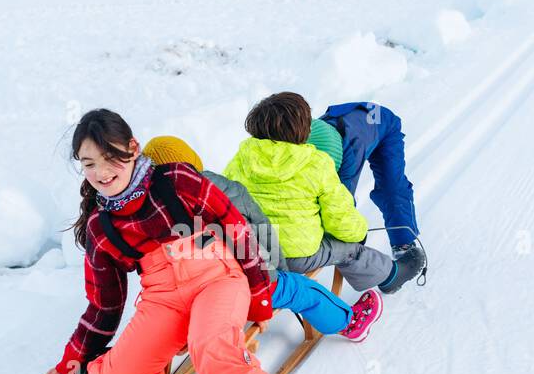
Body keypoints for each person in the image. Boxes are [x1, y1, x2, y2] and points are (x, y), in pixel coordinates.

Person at [40, 108, 328, 374]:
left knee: (214, 351)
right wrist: (77, 354)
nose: (101, 172)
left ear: (132, 148)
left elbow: (236, 229)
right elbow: (104, 302)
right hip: (163, 297)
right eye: (89, 163)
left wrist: (259, 293)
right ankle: (129, 365)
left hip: (217, 279)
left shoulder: (175, 180)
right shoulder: (101, 225)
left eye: (110, 158)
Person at [141, 135, 384, 342]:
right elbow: (260, 227)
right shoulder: (220, 188)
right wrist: (281, 270)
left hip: (185, 299)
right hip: (245, 285)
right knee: (303, 290)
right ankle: (349, 322)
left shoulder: (144, 211)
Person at [224, 92, 402, 295]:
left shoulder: (240, 159)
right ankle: (390, 276)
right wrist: (359, 233)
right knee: (351, 250)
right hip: (295, 257)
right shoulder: (317, 163)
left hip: (250, 251)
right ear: (304, 130)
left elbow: (227, 200)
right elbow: (339, 219)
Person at [311, 101, 427, 290]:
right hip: (344, 124)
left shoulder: (347, 158)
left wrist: (350, 236)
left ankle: (403, 243)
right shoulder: (301, 146)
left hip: (382, 126)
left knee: (392, 187)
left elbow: (343, 206)